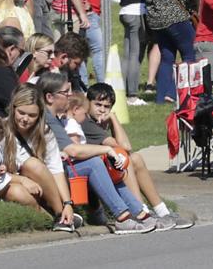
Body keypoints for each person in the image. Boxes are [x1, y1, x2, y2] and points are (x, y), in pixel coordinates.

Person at [36, 73, 158, 233]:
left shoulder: (55, 117)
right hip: (50, 173)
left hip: (60, 168)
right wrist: (107, 150)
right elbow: (72, 149)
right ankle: (122, 217)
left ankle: (140, 213)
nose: (70, 95)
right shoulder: (46, 117)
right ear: (50, 97)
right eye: (65, 92)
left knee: (105, 164)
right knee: (94, 163)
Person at [78, 84, 191, 228]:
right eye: (98, 105)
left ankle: (162, 211)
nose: (102, 110)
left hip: (102, 168)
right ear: (88, 103)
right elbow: (125, 146)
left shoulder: (99, 120)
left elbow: (124, 146)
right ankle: (141, 212)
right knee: (126, 159)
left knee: (135, 158)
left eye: (107, 107)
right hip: (92, 173)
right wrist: (113, 118)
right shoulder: (87, 123)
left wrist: (112, 120)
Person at [4, 86, 80, 232]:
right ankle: (50, 219)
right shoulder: (1, 130)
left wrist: (68, 203)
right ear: (13, 109)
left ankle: (60, 213)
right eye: (21, 113)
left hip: (41, 183)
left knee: (33, 164)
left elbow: (56, 170)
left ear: (39, 115)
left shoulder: (45, 132)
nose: (25, 119)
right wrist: (22, 180)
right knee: (15, 192)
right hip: (11, 181)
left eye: (32, 115)